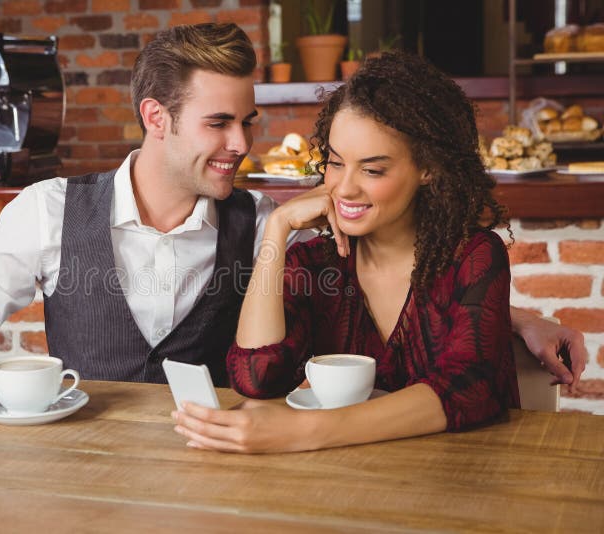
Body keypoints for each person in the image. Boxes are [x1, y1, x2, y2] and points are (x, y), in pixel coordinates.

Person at [0, 23, 584, 422]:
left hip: (223, 475)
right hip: (78, 478)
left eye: (248, 120)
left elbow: (391, 273)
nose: (242, 143)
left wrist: (516, 317)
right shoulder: (50, 211)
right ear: (155, 119)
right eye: (219, 123)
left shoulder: (265, 222)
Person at [171, 51, 583, 454]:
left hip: (465, 480)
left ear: (428, 169)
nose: (345, 188)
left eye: (372, 170)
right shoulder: (316, 264)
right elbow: (256, 376)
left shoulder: (473, 256)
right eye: (335, 163)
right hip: (358, 484)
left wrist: (305, 431)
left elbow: (469, 388)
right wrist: (276, 233)